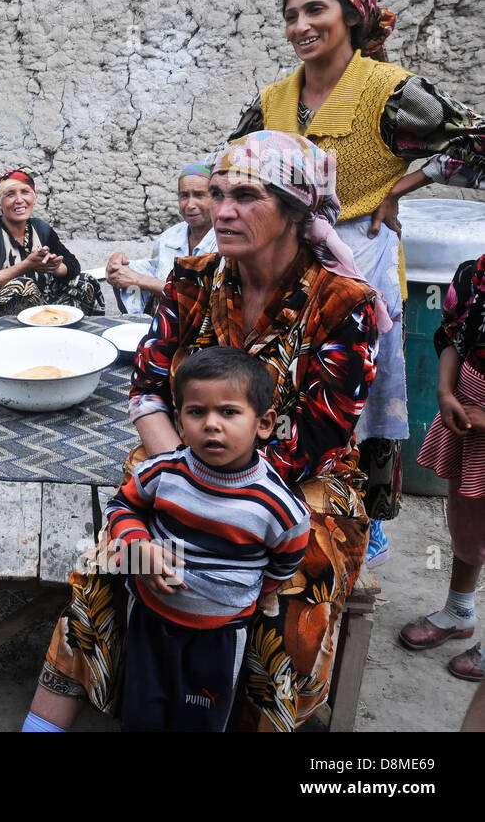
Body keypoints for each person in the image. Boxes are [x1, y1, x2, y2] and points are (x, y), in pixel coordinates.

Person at [27, 131, 384, 732]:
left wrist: (208, 502)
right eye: (217, 193)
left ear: (296, 209)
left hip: (296, 488)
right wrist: (178, 480)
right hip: (176, 463)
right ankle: (56, 720)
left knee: (292, 590)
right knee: (109, 568)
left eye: (246, 195)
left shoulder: (345, 302)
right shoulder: (191, 278)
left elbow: (316, 437)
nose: (221, 210)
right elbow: (146, 386)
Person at [230, 0, 485, 564]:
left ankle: (361, 520)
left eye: (315, 10)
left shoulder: (389, 91)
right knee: (287, 378)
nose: (300, 26)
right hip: (284, 256)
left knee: (361, 388)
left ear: (352, 16)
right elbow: (234, 165)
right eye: (291, 16)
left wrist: (400, 188)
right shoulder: (276, 99)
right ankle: (284, 500)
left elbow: (475, 141)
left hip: (359, 253)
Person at [100, 347, 311, 732]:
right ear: (179, 422)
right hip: (149, 619)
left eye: (229, 412)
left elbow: (287, 557)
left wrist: (255, 590)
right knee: (142, 713)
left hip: (219, 636)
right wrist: (136, 545)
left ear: (264, 424)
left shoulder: (277, 506)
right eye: (197, 412)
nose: (211, 424)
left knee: (200, 720)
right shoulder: (164, 472)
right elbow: (121, 506)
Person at [400, 253, 485, 682]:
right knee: (467, 516)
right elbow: (452, 335)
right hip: (468, 409)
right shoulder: (474, 274)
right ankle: (458, 611)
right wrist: (444, 390)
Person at [0, 169, 105, 318]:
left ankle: (74, 335)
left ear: (34, 198)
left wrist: (55, 267)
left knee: (84, 282)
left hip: (41, 306)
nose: (19, 200)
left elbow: (73, 265)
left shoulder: (41, 229)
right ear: (0, 204)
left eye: (25, 192)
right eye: (10, 194)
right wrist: (26, 266)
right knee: (22, 287)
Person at [105, 162, 217, 315]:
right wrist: (119, 263)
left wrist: (138, 279)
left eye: (199, 195)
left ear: (216, 198)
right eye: (184, 196)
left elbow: (205, 296)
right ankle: (138, 322)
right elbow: (154, 270)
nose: (190, 204)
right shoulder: (169, 238)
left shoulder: (225, 240)